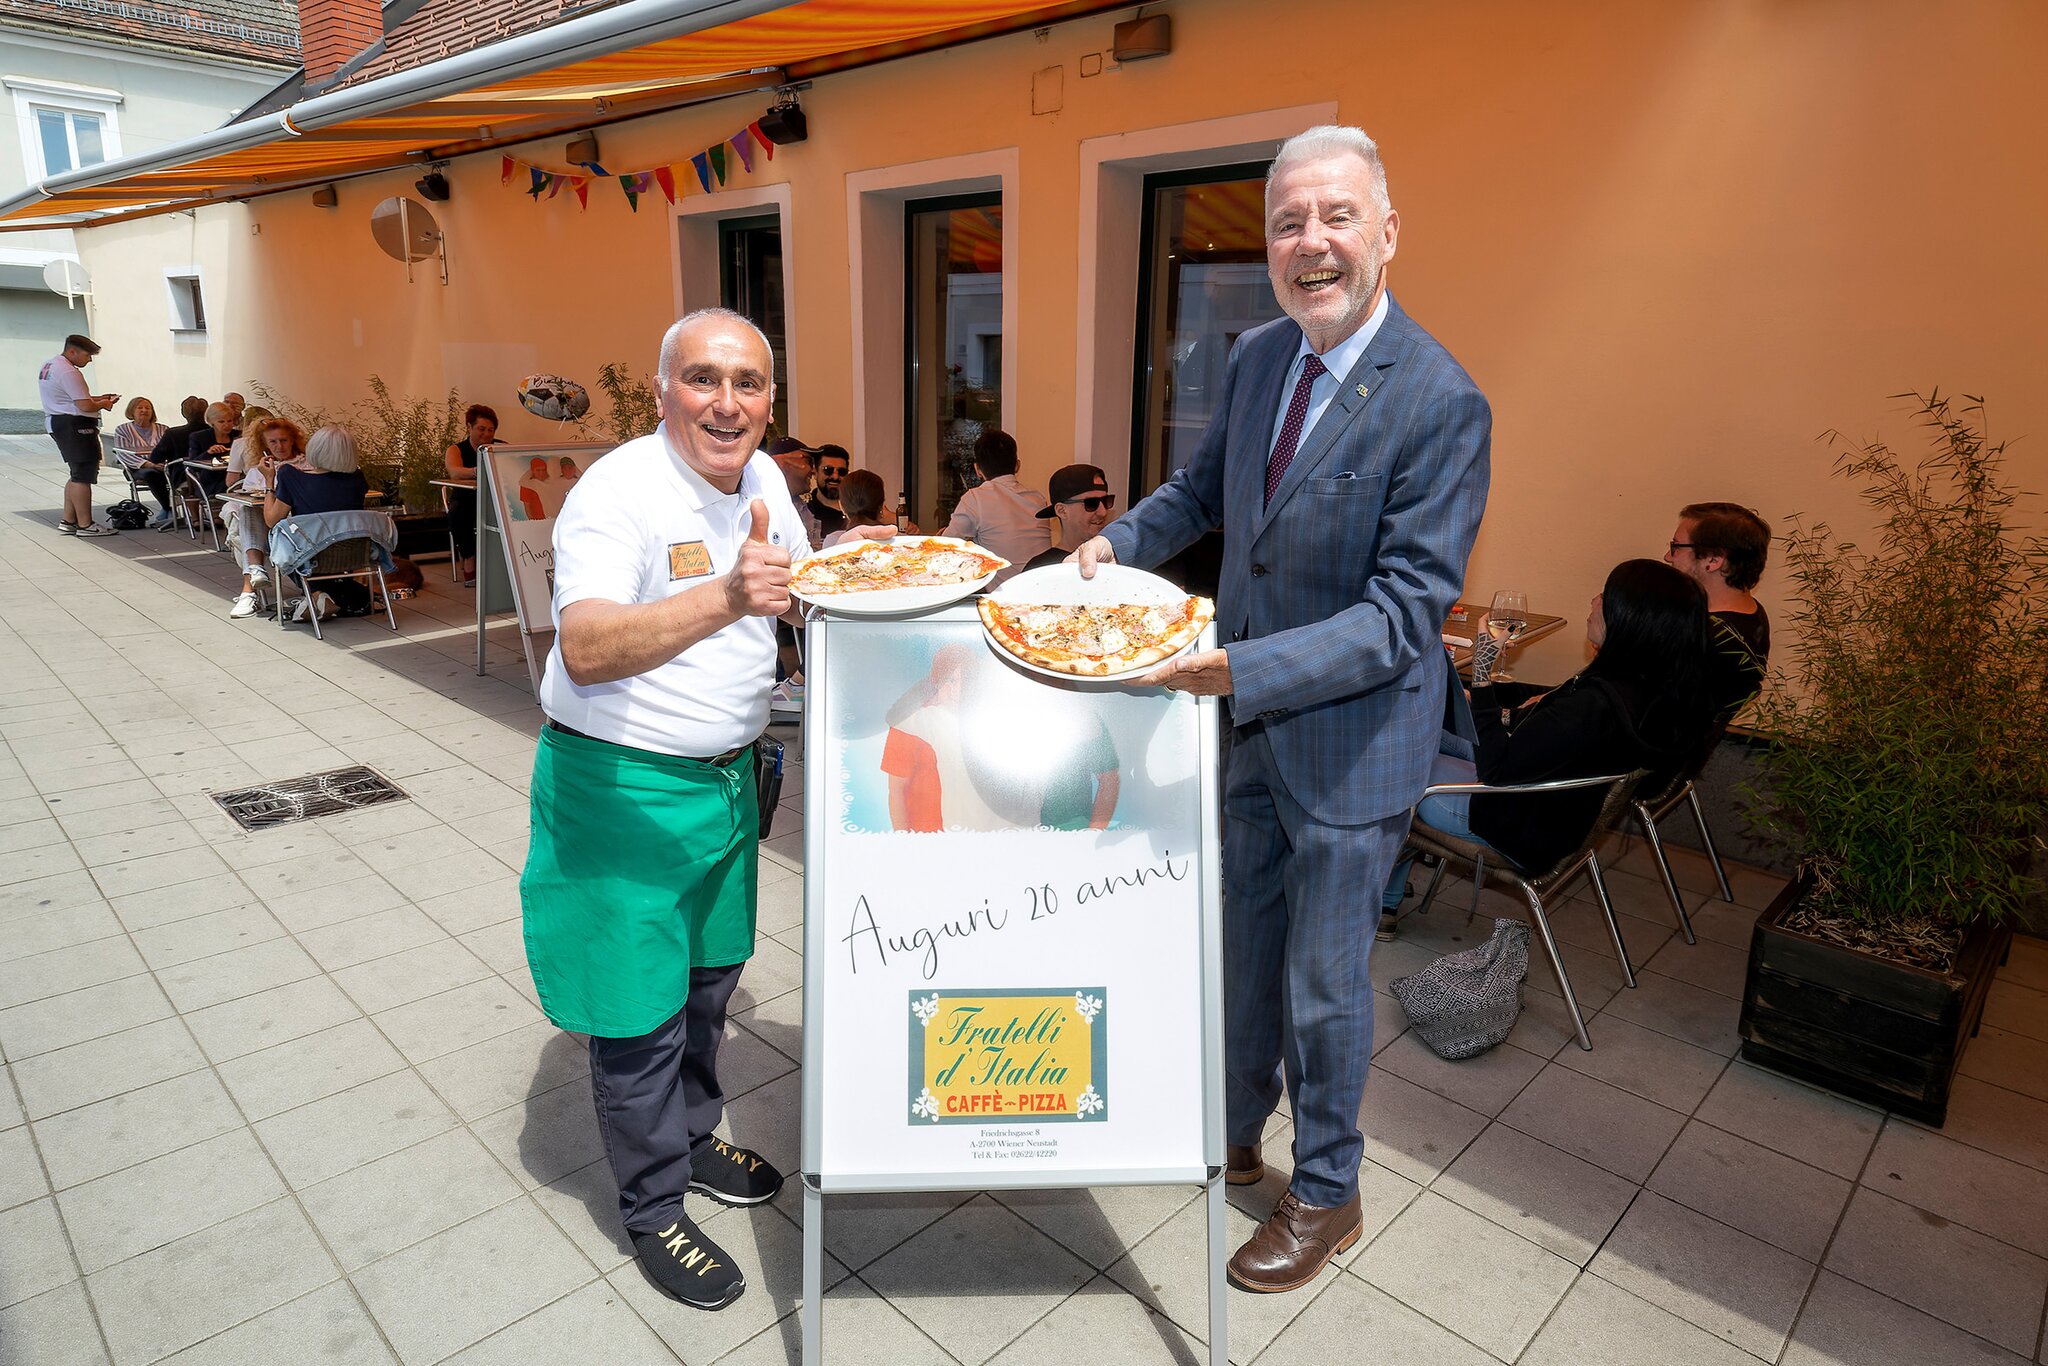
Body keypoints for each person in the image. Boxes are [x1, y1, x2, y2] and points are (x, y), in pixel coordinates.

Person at [1073, 124, 1491, 1292]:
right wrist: (1116, 541)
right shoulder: (1258, 354)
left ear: (1386, 233)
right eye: (1287, 224)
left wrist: (1237, 671)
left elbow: (1404, 615)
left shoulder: (1441, 401)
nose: (1310, 244)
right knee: (1240, 949)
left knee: (1319, 980)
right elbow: (1201, 492)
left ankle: (1328, 1191)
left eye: (1336, 218)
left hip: (1349, 744)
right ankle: (1230, 1130)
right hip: (1245, 726)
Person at [520, 307, 891, 1313]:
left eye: (747, 383)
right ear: (661, 392)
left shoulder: (765, 477)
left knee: (708, 987)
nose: (726, 402)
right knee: (636, 1015)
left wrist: (843, 565)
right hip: (620, 793)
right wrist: (726, 599)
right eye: (702, 379)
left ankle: (689, 1138)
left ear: (769, 400)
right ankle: (651, 1207)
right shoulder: (617, 495)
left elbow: (786, 590)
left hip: (727, 780)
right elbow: (586, 646)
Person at [1383, 559, 1715, 904]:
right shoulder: (1646, 690)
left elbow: (1497, 770)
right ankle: (1386, 894)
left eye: (1606, 595)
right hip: (1545, 814)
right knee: (1417, 726)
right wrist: (1492, 706)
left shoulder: (1594, 707)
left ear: (1631, 619)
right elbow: (1540, 732)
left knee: (1394, 755)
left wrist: (1481, 674)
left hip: (1507, 821)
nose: (1594, 600)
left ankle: (1382, 898)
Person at [1664, 501, 1772, 723]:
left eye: (1676, 547)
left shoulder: (1703, 638)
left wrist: (1610, 651)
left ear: (1713, 560)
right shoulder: (1753, 614)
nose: (1668, 556)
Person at [265, 424, 373, 618]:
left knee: (273, 538)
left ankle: (316, 592)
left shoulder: (290, 475)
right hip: (351, 551)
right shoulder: (357, 478)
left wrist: (268, 484)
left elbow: (272, 521)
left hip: (310, 553)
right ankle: (322, 594)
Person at [942, 428, 1050, 585]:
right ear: (1017, 466)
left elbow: (946, 545)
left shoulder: (975, 498)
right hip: (1042, 587)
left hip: (1003, 596)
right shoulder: (1038, 498)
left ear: (977, 469)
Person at [39, 333, 119, 537]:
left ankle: (69, 520)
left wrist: (97, 399)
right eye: (87, 355)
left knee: (76, 473)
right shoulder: (68, 371)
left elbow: (73, 397)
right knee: (83, 474)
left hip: (60, 422)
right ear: (72, 351)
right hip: (74, 425)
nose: (90, 359)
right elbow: (83, 404)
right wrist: (104, 403)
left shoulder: (51, 365)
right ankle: (86, 525)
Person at [228, 418, 305, 619]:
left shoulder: (307, 464)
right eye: (273, 442)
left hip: (299, 523)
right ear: (264, 445)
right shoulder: (257, 470)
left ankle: (249, 589)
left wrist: (271, 480)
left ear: (293, 441)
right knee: (247, 509)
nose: (279, 446)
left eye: (284, 440)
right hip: (270, 525)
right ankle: (255, 571)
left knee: (245, 518)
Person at [443, 403, 497, 584]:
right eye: (481, 429)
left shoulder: (499, 448)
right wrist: (478, 470)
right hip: (466, 500)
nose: (487, 434)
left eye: (491, 430)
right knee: (457, 512)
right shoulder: (456, 449)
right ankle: (469, 560)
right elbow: (455, 472)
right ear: (469, 427)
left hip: (493, 500)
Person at [1027, 464, 1117, 570]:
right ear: (1062, 511)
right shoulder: (1040, 570)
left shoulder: (1114, 559)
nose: (1103, 512)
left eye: (1106, 501)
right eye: (1091, 503)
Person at [112, 397, 175, 528]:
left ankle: (184, 509)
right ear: (132, 411)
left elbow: (171, 449)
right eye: (139, 408)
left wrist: (165, 463)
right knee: (151, 474)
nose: (144, 410)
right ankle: (167, 508)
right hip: (136, 467)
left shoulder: (164, 429)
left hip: (164, 465)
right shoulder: (122, 430)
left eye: (148, 408)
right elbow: (123, 453)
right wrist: (150, 464)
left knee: (180, 471)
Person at [808, 444, 850, 539]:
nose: (835, 477)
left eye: (841, 471)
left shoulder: (857, 510)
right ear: (815, 473)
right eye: (828, 470)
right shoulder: (806, 513)